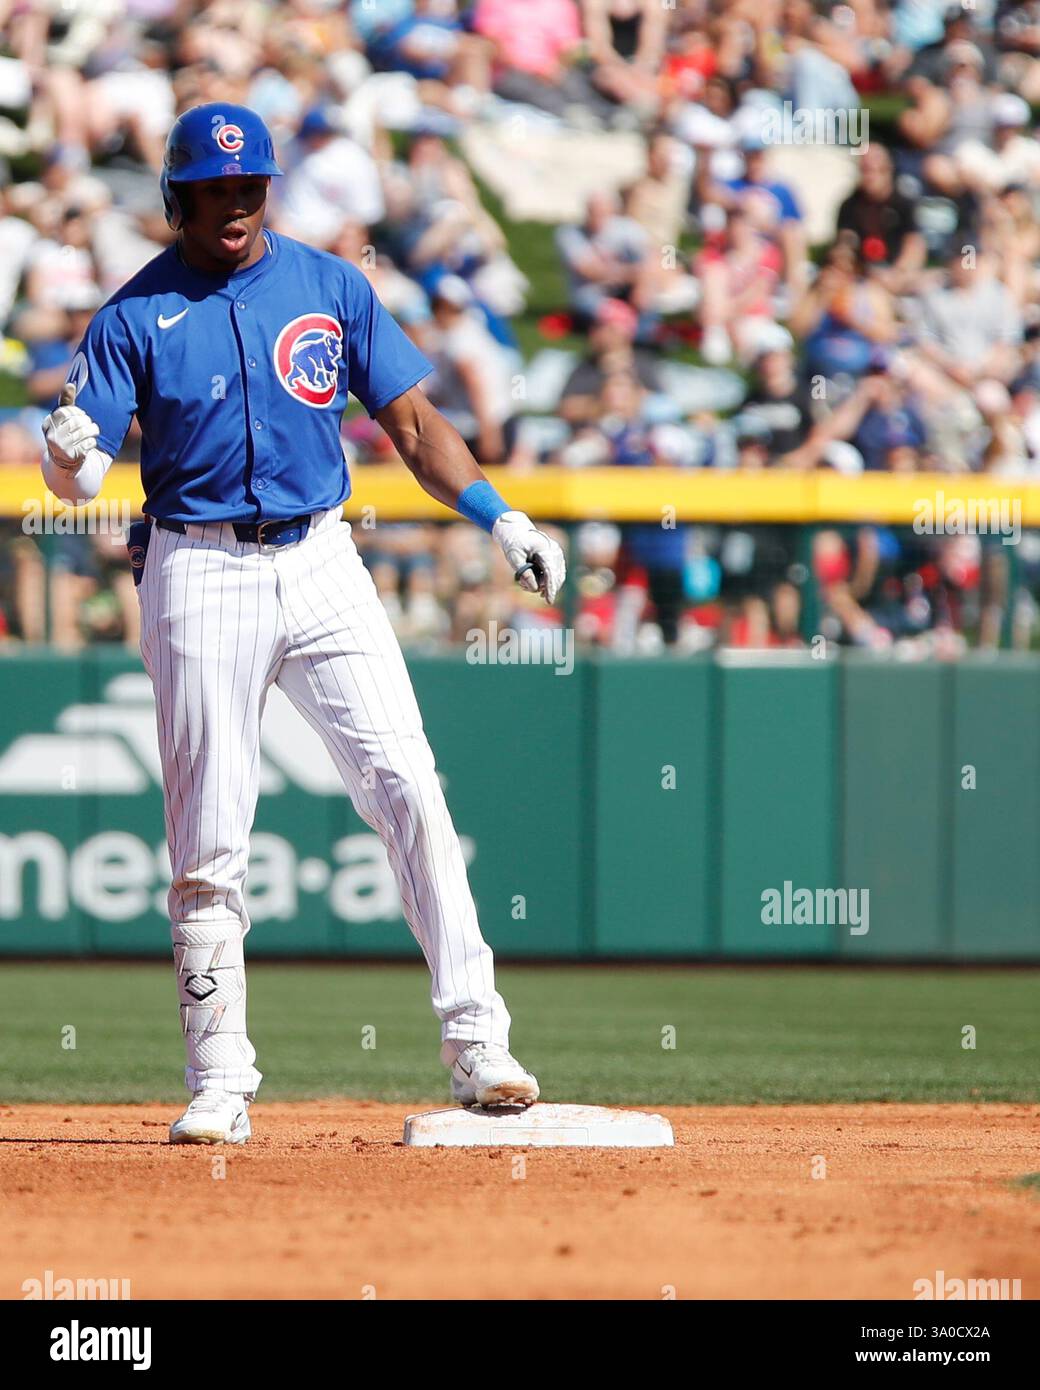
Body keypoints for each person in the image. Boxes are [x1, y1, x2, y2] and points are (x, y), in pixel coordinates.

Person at [40, 103, 565, 1146]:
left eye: (249, 187)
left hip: (323, 555)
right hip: (196, 566)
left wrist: (498, 513)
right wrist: (66, 460)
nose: (234, 204)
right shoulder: (135, 313)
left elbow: (412, 423)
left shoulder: (328, 284)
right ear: (177, 196)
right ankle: (219, 1074)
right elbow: (84, 462)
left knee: (409, 783)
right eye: (213, 188)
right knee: (208, 843)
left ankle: (478, 1043)